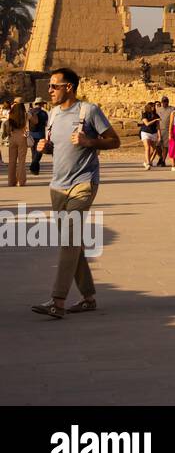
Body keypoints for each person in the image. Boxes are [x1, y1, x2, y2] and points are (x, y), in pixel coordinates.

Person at [30, 67, 120, 319]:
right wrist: (44, 147)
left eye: (54, 86)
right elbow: (56, 148)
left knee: (69, 239)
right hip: (57, 186)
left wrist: (90, 142)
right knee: (73, 242)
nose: (49, 91)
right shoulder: (54, 114)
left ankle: (57, 301)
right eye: (49, 86)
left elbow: (115, 141)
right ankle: (88, 297)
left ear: (68, 87)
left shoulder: (88, 111)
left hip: (83, 182)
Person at [4, 99, 27, 186]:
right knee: (21, 161)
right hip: (22, 137)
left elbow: (7, 125)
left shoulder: (11, 114)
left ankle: (11, 181)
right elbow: (35, 121)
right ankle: (21, 181)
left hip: (12, 137)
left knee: (12, 161)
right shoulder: (25, 114)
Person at [27, 97, 48, 177]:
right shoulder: (44, 113)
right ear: (42, 104)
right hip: (40, 134)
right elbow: (46, 124)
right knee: (39, 152)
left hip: (32, 134)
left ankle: (35, 170)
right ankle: (34, 166)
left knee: (33, 152)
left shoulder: (30, 112)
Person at [138, 101, 159, 169]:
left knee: (154, 149)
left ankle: (146, 161)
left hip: (154, 133)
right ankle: (148, 163)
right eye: (151, 106)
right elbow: (147, 123)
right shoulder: (145, 114)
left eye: (154, 106)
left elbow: (158, 126)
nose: (153, 107)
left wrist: (159, 135)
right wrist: (155, 120)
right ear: (148, 107)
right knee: (147, 147)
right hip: (145, 132)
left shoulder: (156, 115)